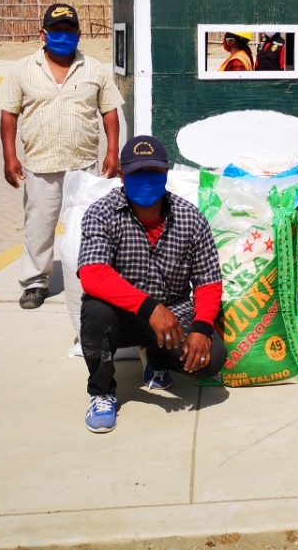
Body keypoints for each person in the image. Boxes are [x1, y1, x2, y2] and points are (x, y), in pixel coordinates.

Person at [76, 135, 226, 433]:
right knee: (95, 314)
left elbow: (209, 280)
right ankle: (102, 391)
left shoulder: (190, 217)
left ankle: (156, 356)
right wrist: (148, 307)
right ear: (122, 176)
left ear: (165, 174)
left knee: (214, 358)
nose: (146, 180)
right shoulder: (102, 214)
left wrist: (201, 329)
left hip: (175, 314)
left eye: (153, 173)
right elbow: (92, 272)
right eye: (137, 173)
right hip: (122, 315)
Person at [0, 3, 123, 310]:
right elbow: (9, 114)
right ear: (43, 33)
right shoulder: (23, 69)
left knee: (89, 225)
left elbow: (110, 112)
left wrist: (113, 150)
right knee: (39, 225)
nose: (62, 35)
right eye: (56, 30)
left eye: (68, 30)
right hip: (41, 164)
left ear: (79, 34)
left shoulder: (94, 69)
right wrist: (9, 157)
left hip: (84, 164)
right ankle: (35, 282)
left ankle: (92, 277)